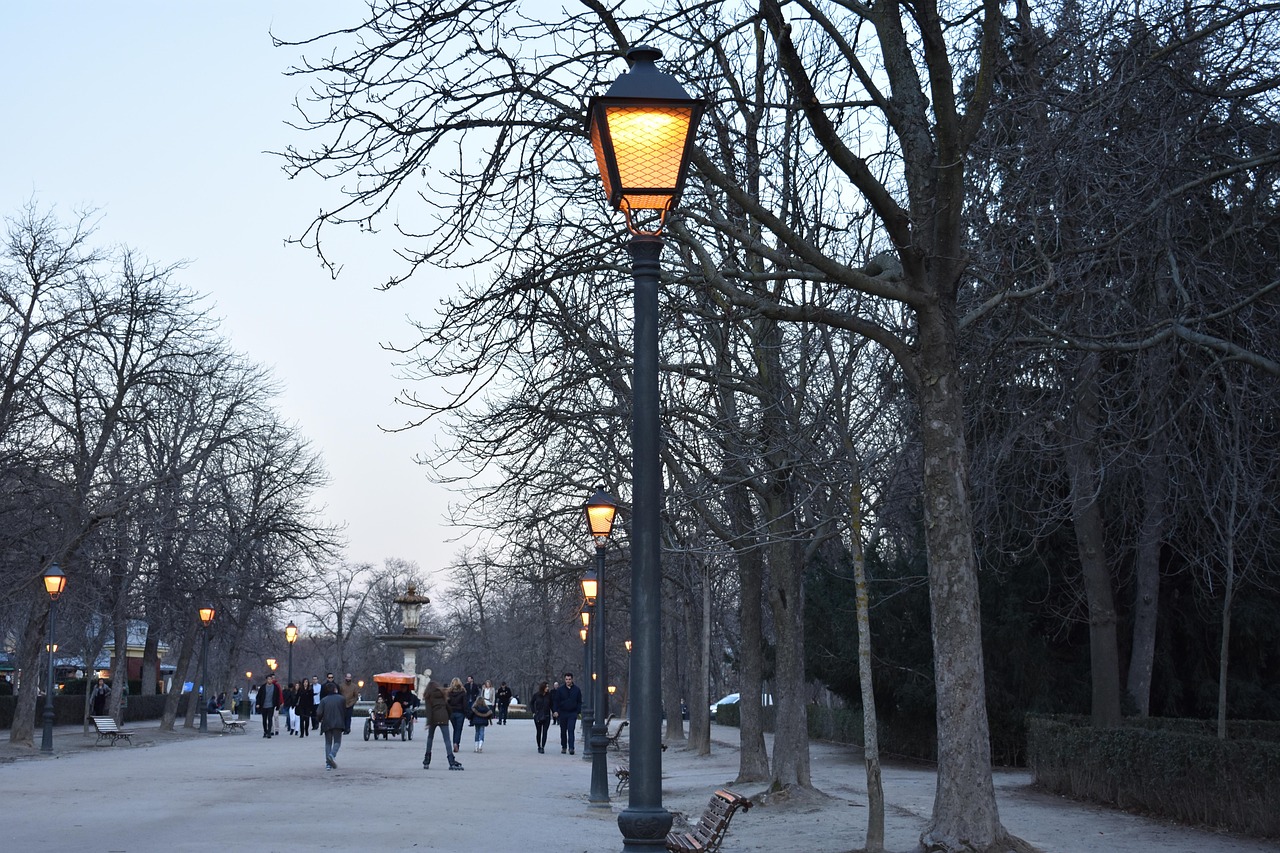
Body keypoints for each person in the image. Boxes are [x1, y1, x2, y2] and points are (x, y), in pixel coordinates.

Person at [420, 678, 463, 771]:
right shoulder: (442, 694)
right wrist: (448, 716)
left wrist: (428, 723)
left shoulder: (428, 695)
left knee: (430, 738)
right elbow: (448, 707)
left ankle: (427, 760)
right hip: (443, 717)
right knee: (447, 740)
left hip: (434, 718)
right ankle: (451, 761)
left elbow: (429, 710)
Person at [550, 671, 583, 754]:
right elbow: (556, 701)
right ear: (564, 680)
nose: (568, 681)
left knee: (571, 730)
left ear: (572, 679)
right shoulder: (560, 690)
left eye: (569, 679)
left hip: (572, 713)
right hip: (563, 712)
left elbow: (579, 701)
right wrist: (556, 711)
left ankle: (571, 747)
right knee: (563, 730)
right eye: (566, 679)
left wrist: (578, 711)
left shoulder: (577, 690)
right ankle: (564, 746)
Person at [317, 688, 346, 770]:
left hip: (327, 723)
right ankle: (332, 755)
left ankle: (328, 764)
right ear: (335, 690)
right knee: (337, 742)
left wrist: (319, 719)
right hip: (338, 723)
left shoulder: (324, 700)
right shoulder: (341, 699)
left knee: (328, 743)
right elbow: (345, 711)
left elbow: (319, 712)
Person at [446, 677, 468, 753]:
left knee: (455, 729)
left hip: (452, 713)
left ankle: (455, 742)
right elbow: (465, 704)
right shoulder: (463, 692)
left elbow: (447, 703)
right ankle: (456, 743)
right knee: (458, 729)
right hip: (460, 713)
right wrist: (466, 713)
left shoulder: (449, 692)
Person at [530, 682, 552, 753]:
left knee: (545, 732)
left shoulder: (549, 696)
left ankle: (543, 746)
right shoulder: (536, 695)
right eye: (546, 687)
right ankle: (539, 746)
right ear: (543, 687)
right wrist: (533, 712)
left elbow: (552, 704)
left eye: (548, 687)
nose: (547, 688)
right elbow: (531, 703)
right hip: (538, 715)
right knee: (539, 731)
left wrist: (555, 711)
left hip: (547, 715)